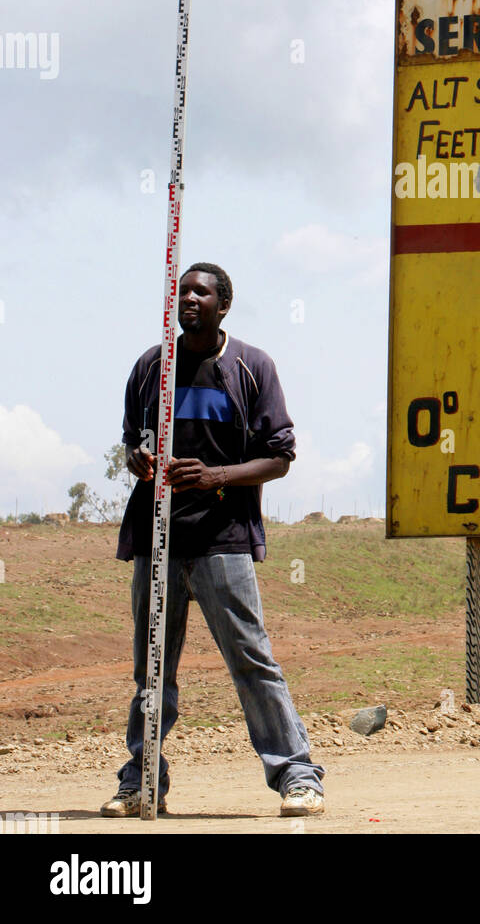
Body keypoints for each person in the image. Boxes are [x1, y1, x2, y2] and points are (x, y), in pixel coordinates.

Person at [100, 262, 324, 818]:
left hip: (224, 541)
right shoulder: (153, 367)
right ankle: (142, 781)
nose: (189, 300)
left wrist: (218, 476)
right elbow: (134, 439)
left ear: (224, 305)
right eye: (183, 292)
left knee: (252, 657)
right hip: (159, 543)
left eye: (201, 293)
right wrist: (139, 459)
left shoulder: (251, 367)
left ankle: (298, 774)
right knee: (152, 669)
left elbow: (280, 457)